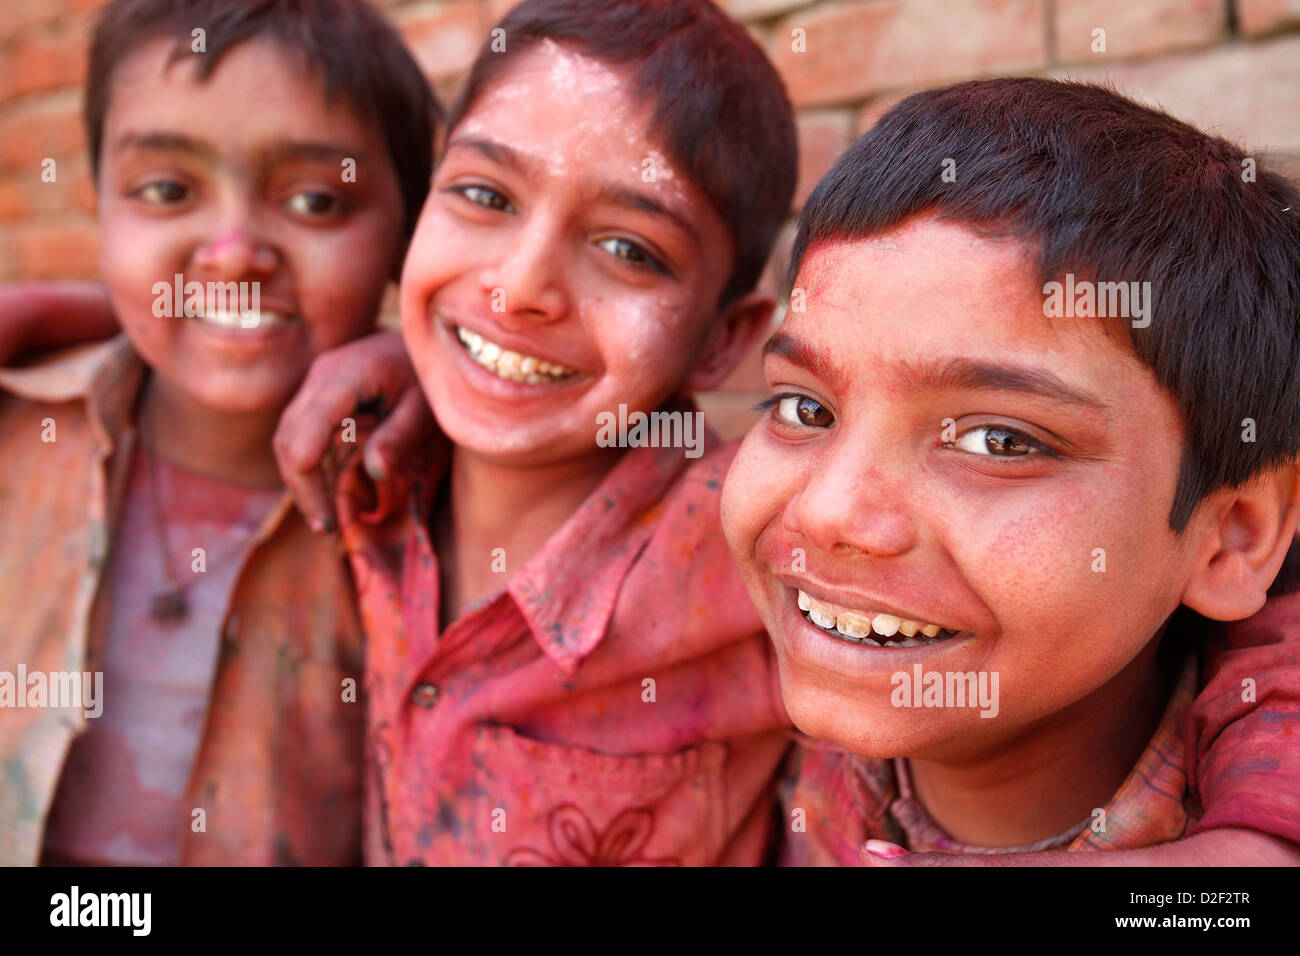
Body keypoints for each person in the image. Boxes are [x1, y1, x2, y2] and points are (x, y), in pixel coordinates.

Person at [718, 77, 1300, 863]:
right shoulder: (705, 674)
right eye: (804, 409)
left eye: (1000, 442)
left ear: (1232, 536)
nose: (830, 514)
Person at [0, 0, 439, 865]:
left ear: (408, 239)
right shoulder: (18, 430)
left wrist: (437, 357)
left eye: (316, 201)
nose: (234, 253)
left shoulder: (429, 501)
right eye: (167, 191)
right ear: (101, 206)